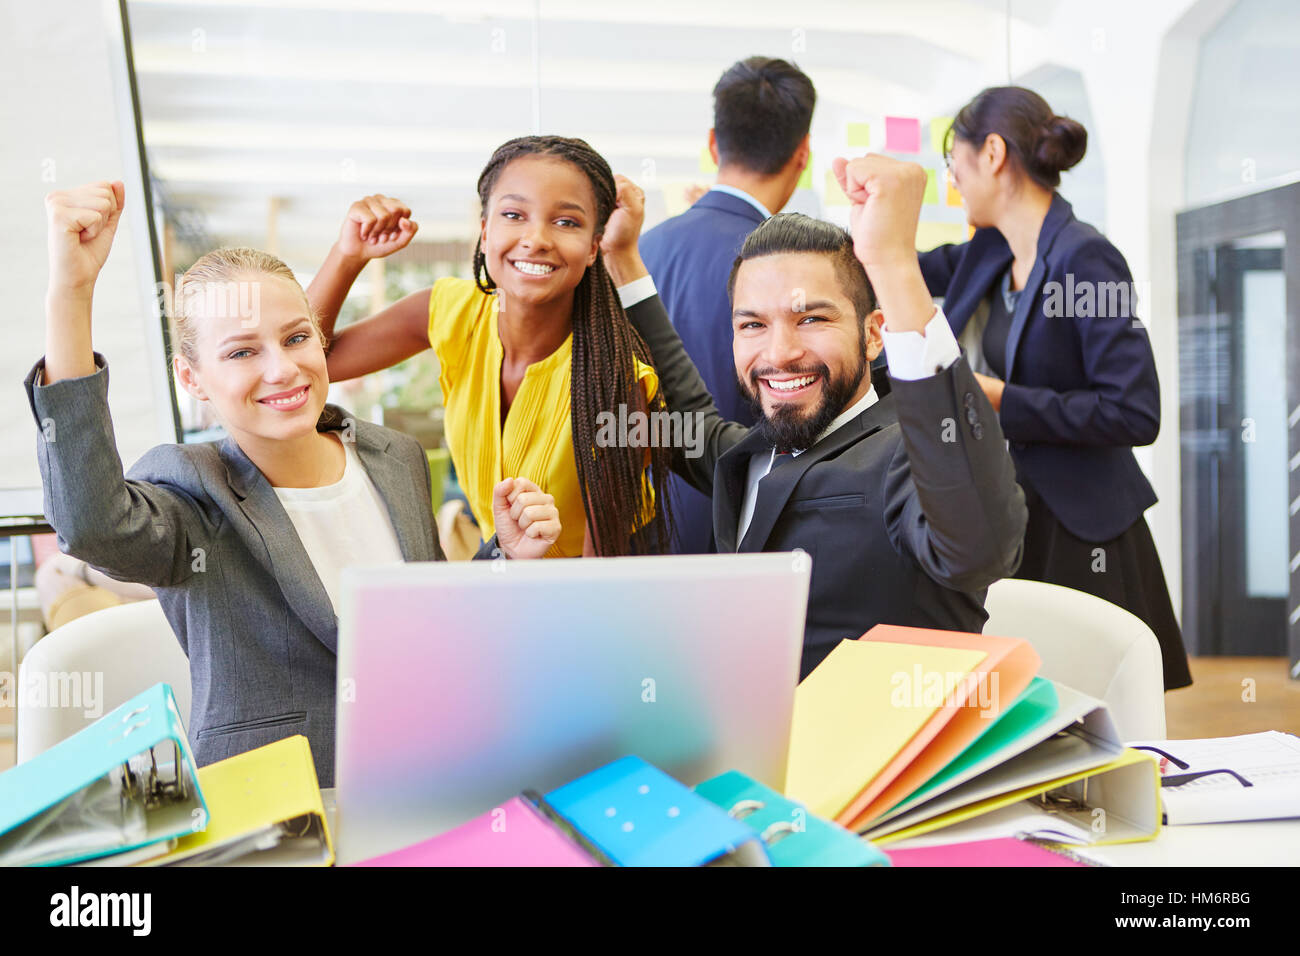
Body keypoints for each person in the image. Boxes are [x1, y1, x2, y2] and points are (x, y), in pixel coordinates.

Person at [28, 181, 561, 784]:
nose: (283, 369)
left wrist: (505, 557)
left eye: (297, 337)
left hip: (423, 777)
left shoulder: (394, 458)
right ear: (193, 379)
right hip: (279, 814)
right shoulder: (192, 491)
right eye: (240, 353)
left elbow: (435, 620)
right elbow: (91, 524)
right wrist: (71, 293)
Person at [602, 156, 1028, 679]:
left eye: (811, 319)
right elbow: (688, 408)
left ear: (875, 334)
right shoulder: (749, 456)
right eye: (753, 324)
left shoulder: (904, 454)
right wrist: (623, 259)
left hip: (888, 755)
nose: (780, 353)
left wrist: (894, 264)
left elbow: (979, 546)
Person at [923, 86, 1191, 690]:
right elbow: (904, 267)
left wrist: (1001, 401)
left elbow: (1134, 411)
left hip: (1082, 530)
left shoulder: (1087, 259)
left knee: (1099, 721)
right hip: (1020, 517)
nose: (952, 182)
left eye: (953, 165)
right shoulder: (991, 252)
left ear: (992, 153)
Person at [306, 136, 677, 558]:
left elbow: (600, 572)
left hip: (584, 590)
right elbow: (309, 361)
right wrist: (348, 255)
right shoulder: (451, 312)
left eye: (567, 222)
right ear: (485, 231)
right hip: (501, 573)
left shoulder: (615, 380)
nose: (536, 238)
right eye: (514, 215)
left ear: (594, 246)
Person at [640, 56, 815, 553]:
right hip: (750, 530)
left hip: (646, 531)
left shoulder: (641, 252)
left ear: (714, 143)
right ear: (803, 153)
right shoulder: (795, 267)